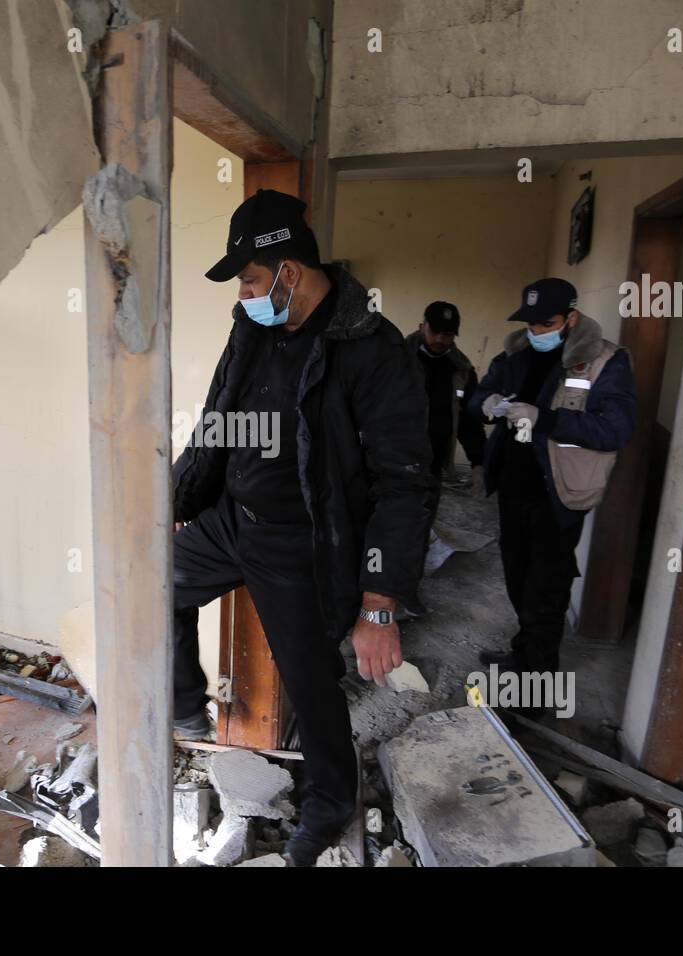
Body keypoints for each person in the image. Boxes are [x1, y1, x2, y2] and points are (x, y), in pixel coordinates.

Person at [171, 189, 432, 865]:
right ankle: (183, 709)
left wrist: (380, 603)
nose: (244, 294)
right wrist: (180, 497)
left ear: (288, 272)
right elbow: (218, 417)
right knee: (152, 584)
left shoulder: (370, 349)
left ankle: (328, 805)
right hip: (233, 519)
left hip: (301, 544)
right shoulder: (252, 327)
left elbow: (404, 482)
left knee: (311, 685)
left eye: (252, 279)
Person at [468, 278, 637, 690]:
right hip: (513, 486)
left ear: (571, 318)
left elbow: (614, 430)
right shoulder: (515, 353)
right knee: (518, 579)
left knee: (546, 591)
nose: (538, 332)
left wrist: (544, 418)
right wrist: (486, 403)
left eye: (547, 323)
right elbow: (479, 394)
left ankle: (535, 693)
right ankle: (524, 654)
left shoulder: (604, 361)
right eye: (531, 324)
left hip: (558, 494)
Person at [403, 301, 487, 593]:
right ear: (421, 326)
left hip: (433, 463)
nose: (440, 339)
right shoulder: (395, 360)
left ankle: (410, 589)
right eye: (436, 332)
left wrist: (478, 461)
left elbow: (468, 420)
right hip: (394, 461)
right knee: (394, 527)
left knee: (423, 523)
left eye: (448, 335)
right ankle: (384, 592)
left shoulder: (461, 369)